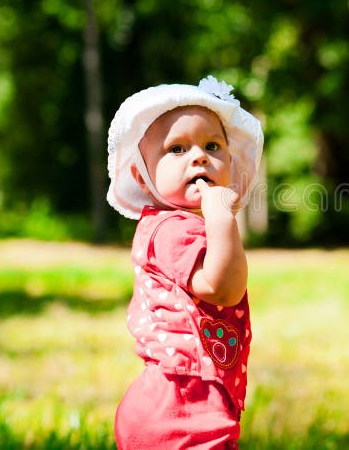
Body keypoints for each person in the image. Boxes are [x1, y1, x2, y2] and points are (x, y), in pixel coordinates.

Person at [106, 76, 263, 449]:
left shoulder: (182, 225)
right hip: (182, 404)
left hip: (186, 393)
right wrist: (223, 216)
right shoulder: (172, 230)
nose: (199, 156)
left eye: (212, 145)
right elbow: (224, 287)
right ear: (142, 177)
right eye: (176, 149)